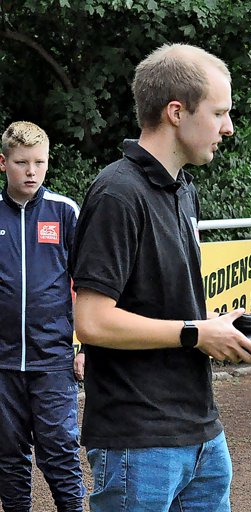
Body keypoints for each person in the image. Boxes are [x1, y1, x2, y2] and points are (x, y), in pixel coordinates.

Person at [69, 44, 251, 511]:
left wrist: (214, 324)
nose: (228, 127)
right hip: (138, 443)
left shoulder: (183, 190)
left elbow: (160, 307)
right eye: (219, 112)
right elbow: (92, 322)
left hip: (203, 436)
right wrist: (194, 332)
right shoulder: (117, 194)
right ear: (176, 112)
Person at [0, 121, 85, 512]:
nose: (31, 171)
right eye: (21, 162)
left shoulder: (65, 212)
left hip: (53, 360)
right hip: (2, 364)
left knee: (60, 453)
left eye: (39, 162)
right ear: (3, 163)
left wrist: (85, 346)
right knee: (8, 457)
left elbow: (89, 284)